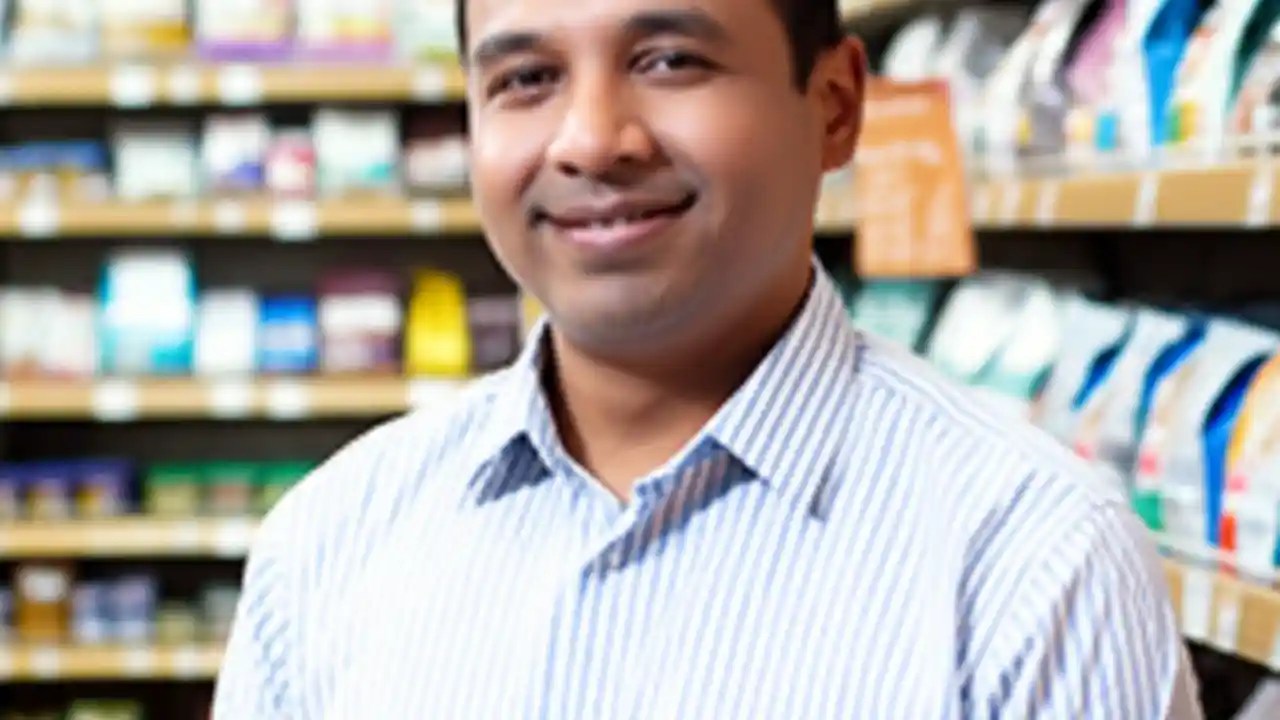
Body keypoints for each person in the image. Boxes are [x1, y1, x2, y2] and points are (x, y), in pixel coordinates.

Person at [213, 0, 1203, 717]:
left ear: (834, 106)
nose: (591, 141)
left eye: (669, 59)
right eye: (525, 80)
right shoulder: (330, 544)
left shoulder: (1035, 563)